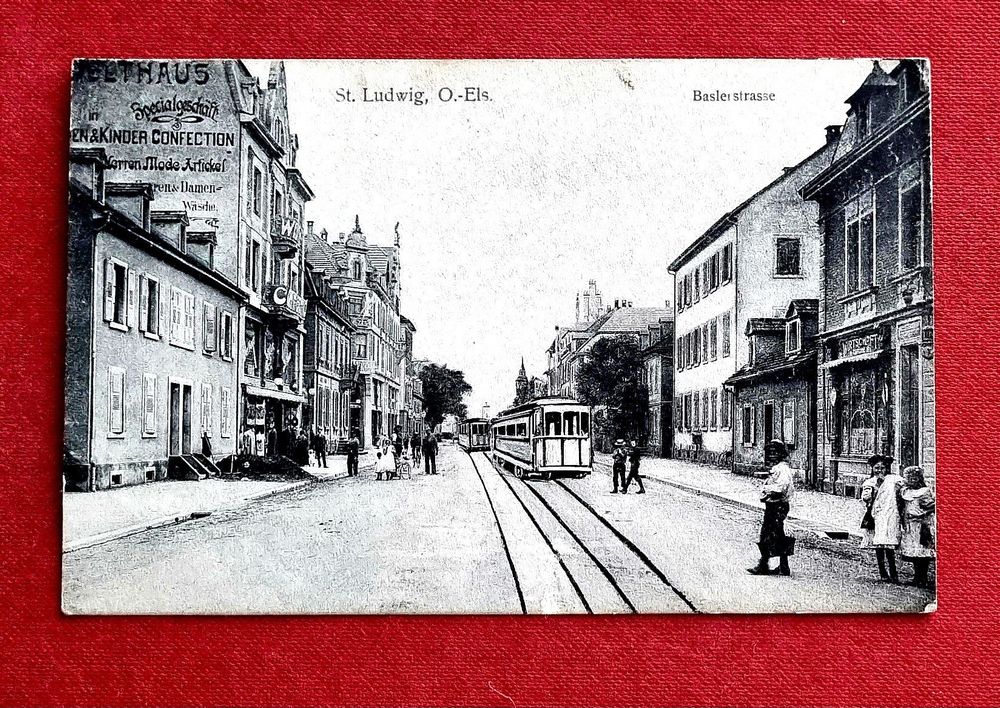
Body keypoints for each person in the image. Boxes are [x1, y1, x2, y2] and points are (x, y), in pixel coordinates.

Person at [747, 440, 795, 576]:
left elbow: (781, 488)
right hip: (773, 505)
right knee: (777, 535)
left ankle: (764, 564)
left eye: (775, 453)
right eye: (770, 453)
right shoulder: (776, 469)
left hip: (778, 506)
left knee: (769, 535)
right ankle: (782, 566)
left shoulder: (782, 469)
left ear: (781, 454)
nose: (771, 456)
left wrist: (766, 489)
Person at [859, 454, 903, 583]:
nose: (879, 470)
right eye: (876, 468)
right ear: (872, 468)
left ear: (887, 468)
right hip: (876, 516)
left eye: (882, 468)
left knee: (889, 545)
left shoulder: (894, 480)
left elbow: (904, 489)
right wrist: (869, 494)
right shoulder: (870, 482)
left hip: (890, 515)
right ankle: (883, 572)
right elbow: (865, 497)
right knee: (879, 544)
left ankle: (893, 572)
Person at [899, 465, 936, 588]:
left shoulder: (924, 492)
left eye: (914, 478)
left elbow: (933, 506)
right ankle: (916, 576)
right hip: (910, 525)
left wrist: (922, 514)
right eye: (908, 478)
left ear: (919, 479)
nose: (910, 481)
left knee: (923, 551)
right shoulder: (905, 491)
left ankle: (923, 577)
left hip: (921, 525)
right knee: (914, 551)